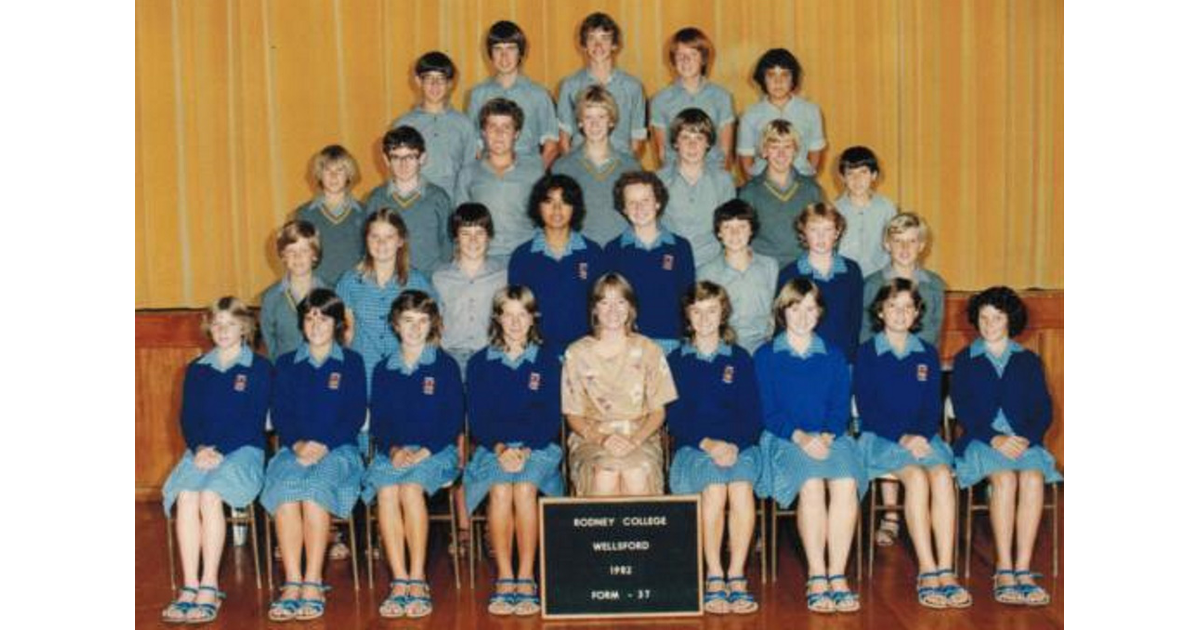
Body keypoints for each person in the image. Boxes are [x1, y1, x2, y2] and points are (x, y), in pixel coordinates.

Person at [853, 279, 971, 609]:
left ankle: (946, 569)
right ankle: (927, 569)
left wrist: (920, 435)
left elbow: (931, 406)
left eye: (908, 306)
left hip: (922, 437)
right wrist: (903, 437)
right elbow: (868, 407)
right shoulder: (867, 352)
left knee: (941, 477)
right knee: (917, 479)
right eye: (893, 306)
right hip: (882, 438)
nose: (900, 313)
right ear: (880, 310)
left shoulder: (926, 353)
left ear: (917, 312)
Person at [755, 278, 864, 614]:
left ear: (820, 313)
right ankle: (817, 574)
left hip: (830, 435)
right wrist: (801, 437)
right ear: (782, 311)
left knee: (846, 482)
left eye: (810, 308)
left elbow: (839, 406)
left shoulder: (833, 354)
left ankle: (837, 574)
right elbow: (767, 411)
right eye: (795, 307)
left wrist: (829, 435)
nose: (803, 316)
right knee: (813, 484)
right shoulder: (766, 355)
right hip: (784, 438)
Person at [161, 297, 270, 624]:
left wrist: (220, 450)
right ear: (210, 327)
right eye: (217, 324)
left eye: (231, 324)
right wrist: (199, 449)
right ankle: (190, 586)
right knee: (187, 495)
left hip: (242, 450)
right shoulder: (197, 369)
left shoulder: (260, 368)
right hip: (201, 451)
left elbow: (251, 419)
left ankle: (210, 585)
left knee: (210, 497)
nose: (223, 330)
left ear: (244, 327)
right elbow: (188, 417)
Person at [951, 286, 1062, 607]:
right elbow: (964, 409)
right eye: (983, 318)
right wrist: (995, 438)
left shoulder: (1028, 360)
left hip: (1024, 439)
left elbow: (1043, 409)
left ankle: (1023, 569)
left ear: (1010, 320)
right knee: (1005, 479)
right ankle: (1003, 569)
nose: (989, 324)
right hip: (982, 439)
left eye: (996, 318)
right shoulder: (966, 359)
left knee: (1031, 478)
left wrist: (1025, 437)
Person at [262, 289, 366, 622]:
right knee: (287, 492)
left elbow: (353, 415)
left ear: (337, 323)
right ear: (302, 323)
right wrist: (297, 445)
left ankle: (313, 582)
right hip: (294, 449)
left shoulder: (352, 362)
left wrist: (323, 444)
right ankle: (292, 582)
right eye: (309, 317)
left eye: (324, 317)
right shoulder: (287, 364)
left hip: (338, 450)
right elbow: (281, 414)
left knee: (314, 492)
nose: (316, 324)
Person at [362, 291, 464, 619]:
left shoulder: (444, 365)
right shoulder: (383, 369)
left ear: (432, 324)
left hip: (436, 450)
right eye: (408, 320)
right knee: (388, 491)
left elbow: (452, 417)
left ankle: (418, 578)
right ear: (395, 324)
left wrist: (425, 450)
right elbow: (379, 419)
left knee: (409, 490)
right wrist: (392, 448)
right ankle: (400, 579)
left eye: (422, 321)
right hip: (395, 452)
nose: (415, 328)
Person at [464, 286, 564, 616]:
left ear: (533, 318)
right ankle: (505, 576)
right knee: (500, 490)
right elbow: (478, 418)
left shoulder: (548, 361)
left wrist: (525, 450)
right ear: (497, 318)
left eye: (522, 314)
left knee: (523, 488)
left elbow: (551, 416)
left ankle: (526, 576)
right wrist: (502, 447)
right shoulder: (480, 363)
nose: (515, 322)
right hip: (495, 447)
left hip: (538, 448)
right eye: (508, 314)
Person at [666, 282, 763, 615]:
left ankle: (736, 575)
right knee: (714, 488)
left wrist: (733, 444)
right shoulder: (676, 359)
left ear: (723, 313)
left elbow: (752, 413)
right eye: (696, 310)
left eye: (711, 310)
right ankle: (713, 574)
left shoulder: (740, 358)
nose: (704, 318)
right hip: (695, 448)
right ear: (687, 316)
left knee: (739, 488)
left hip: (741, 446)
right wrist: (709, 444)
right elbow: (675, 415)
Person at [860, 212, 948, 546]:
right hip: (883, 371)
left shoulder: (934, 284)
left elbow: (935, 333)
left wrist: (922, 367)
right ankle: (892, 513)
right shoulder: (872, 283)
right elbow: (866, 333)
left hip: (919, 368)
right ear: (887, 244)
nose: (905, 248)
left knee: (933, 465)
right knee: (891, 427)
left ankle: (928, 529)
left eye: (912, 241)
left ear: (922, 245)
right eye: (898, 241)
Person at [562, 273, 679, 496]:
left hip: (640, 437)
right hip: (592, 438)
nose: (612, 310)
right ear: (594, 309)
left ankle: (641, 533)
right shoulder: (576, 353)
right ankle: (601, 532)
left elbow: (658, 412)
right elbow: (573, 414)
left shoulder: (649, 349)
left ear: (630, 307)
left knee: (635, 474)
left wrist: (634, 441)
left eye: (620, 302)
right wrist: (602, 439)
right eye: (604, 302)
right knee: (606, 474)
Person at [335, 208, 436, 396]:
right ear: (366, 239)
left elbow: (431, 334)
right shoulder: (348, 281)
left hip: (406, 375)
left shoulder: (418, 282)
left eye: (389, 237)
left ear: (400, 241)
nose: (381, 243)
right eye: (374, 236)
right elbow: (345, 337)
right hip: (362, 377)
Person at [507, 173, 608, 354]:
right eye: (549, 202)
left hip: (586, 352)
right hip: (537, 353)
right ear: (538, 206)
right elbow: (515, 312)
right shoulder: (523, 256)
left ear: (574, 208)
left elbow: (603, 308)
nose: (556, 209)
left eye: (564, 202)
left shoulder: (593, 253)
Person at [605, 170, 695, 354]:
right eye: (632, 202)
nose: (639, 208)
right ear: (623, 208)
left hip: (671, 344)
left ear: (658, 203)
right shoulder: (613, 250)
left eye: (645, 200)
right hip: (628, 344)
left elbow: (688, 298)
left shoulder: (680, 247)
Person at [455, 98, 546, 260]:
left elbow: (545, 221)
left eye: (506, 127)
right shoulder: (468, 173)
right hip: (484, 258)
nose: (499, 134)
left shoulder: (536, 172)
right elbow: (460, 225)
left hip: (526, 256)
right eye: (492, 127)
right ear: (483, 132)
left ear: (516, 133)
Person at [551, 85, 642, 246]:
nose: (595, 124)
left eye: (601, 117)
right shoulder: (561, 167)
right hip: (578, 252)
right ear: (579, 122)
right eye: (588, 118)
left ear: (612, 121)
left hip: (621, 251)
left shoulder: (631, 167)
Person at [776, 202, 864, 362]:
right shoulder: (789, 274)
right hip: (802, 358)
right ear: (803, 232)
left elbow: (856, 322)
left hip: (842, 359)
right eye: (814, 230)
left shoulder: (852, 271)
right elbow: (781, 325)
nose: (821, 237)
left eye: (828, 229)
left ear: (837, 232)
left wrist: (851, 360)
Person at [362, 126, 454, 277]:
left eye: (410, 157)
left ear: (422, 158)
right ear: (386, 160)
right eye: (396, 157)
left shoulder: (438, 198)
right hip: (388, 281)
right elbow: (368, 244)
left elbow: (448, 244)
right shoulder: (376, 198)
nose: (403, 164)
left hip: (429, 282)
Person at [466, 20, 559, 168]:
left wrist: (534, 177)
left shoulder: (539, 94)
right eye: (498, 49)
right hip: (490, 174)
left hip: (528, 174)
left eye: (511, 48)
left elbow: (551, 145)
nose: (504, 56)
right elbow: (473, 144)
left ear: (520, 53)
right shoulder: (478, 94)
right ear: (490, 54)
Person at [556, 12, 647, 158]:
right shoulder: (570, 85)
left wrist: (627, 168)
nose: (598, 45)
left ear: (615, 44)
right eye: (591, 38)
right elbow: (564, 137)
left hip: (620, 165)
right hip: (581, 164)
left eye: (605, 38)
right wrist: (571, 169)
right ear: (584, 45)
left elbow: (637, 137)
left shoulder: (633, 87)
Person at [737, 119, 826, 267]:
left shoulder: (811, 189)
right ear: (764, 151)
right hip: (763, 269)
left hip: (803, 268)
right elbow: (742, 239)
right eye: (774, 147)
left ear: (796, 150)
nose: (781, 154)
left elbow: (823, 234)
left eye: (787, 147)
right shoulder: (749, 192)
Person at [433, 203, 508, 375]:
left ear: (489, 236)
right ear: (456, 238)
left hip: (490, 357)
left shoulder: (503, 276)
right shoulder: (440, 277)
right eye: (465, 234)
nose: (473, 240)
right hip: (450, 360)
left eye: (479, 233)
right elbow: (434, 325)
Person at [658, 108, 737, 268]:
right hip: (670, 263)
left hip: (712, 263)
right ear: (675, 142)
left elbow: (729, 228)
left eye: (699, 138)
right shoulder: (658, 180)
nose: (692, 145)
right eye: (685, 137)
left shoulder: (723, 180)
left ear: (708, 143)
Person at [697, 199, 778, 353]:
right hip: (723, 348)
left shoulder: (769, 266)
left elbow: (774, 311)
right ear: (719, 232)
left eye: (742, 226)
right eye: (727, 227)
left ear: (751, 230)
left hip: (762, 348)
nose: (735, 233)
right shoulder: (706, 272)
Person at [391, 51, 476, 196]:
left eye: (441, 79)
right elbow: (396, 170)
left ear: (450, 83)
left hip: (453, 203)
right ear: (418, 81)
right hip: (416, 200)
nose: (435, 85)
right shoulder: (403, 124)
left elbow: (470, 170)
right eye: (428, 78)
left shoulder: (464, 124)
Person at [649, 27, 735, 169]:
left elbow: (725, 152)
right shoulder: (660, 100)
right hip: (676, 178)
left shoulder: (722, 97)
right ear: (673, 60)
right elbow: (663, 153)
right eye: (680, 55)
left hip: (712, 176)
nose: (686, 60)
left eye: (693, 54)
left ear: (703, 59)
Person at [737, 49, 826, 179]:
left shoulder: (811, 111)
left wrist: (805, 183)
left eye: (785, 75)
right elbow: (746, 160)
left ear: (793, 78)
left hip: (800, 184)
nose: (778, 82)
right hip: (763, 185)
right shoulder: (750, 115)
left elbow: (815, 155)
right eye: (771, 75)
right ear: (763, 79)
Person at [294, 145, 366, 285]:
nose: (334, 176)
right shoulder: (304, 214)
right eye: (328, 170)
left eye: (340, 170)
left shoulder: (364, 212)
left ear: (349, 174)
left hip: (355, 288)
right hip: (316, 289)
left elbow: (370, 256)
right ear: (319, 174)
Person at [261, 220, 326, 361]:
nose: (298, 257)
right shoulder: (271, 298)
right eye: (291, 251)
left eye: (304, 250)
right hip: (286, 376)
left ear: (314, 254)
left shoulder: (330, 293)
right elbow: (269, 344)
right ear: (283, 256)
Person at [832, 146, 896, 278]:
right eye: (850, 173)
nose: (857, 179)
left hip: (879, 277)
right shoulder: (833, 210)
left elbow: (894, 243)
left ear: (874, 175)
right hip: (844, 276)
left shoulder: (887, 208)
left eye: (863, 172)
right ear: (842, 177)